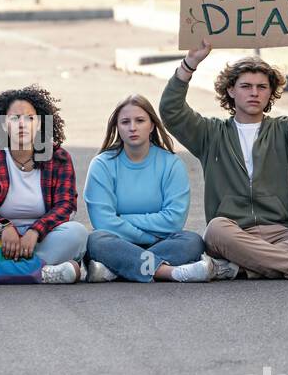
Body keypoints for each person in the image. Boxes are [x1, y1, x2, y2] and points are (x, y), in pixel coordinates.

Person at [160, 35, 288, 281]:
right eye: (246, 86)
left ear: (271, 93)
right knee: (215, 230)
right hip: (232, 232)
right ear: (231, 90)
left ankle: (238, 267)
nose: (254, 93)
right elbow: (171, 111)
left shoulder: (285, 131)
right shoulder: (209, 134)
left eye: (262, 87)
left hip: (279, 231)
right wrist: (190, 62)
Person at [0, 86, 88, 284]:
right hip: (0, 239)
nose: (22, 124)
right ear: (4, 124)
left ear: (40, 123)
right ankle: (44, 273)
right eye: (15, 118)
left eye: (29, 118)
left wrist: (35, 231)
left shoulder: (58, 158)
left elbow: (66, 206)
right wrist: (4, 227)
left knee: (78, 233)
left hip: (43, 238)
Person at [82, 94, 219, 283]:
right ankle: (168, 272)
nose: (132, 128)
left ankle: (116, 269)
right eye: (125, 122)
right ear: (117, 127)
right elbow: (103, 222)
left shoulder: (172, 164)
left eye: (140, 120)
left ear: (152, 125)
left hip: (160, 242)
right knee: (96, 241)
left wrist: (125, 219)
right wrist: (144, 234)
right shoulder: (101, 165)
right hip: (119, 242)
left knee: (192, 241)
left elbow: (173, 221)